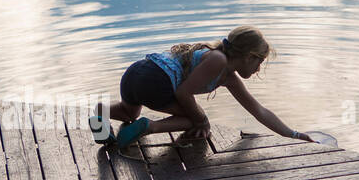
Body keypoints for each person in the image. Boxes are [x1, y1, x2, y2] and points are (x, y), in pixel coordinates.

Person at [91, 25, 313, 146]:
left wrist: (293, 134)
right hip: (155, 79)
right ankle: (149, 127)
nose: (258, 69)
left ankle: (102, 110)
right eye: (259, 62)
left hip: (136, 72)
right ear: (248, 57)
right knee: (193, 120)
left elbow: (259, 110)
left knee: (129, 112)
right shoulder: (218, 60)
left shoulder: (228, 76)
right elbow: (183, 92)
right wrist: (201, 119)